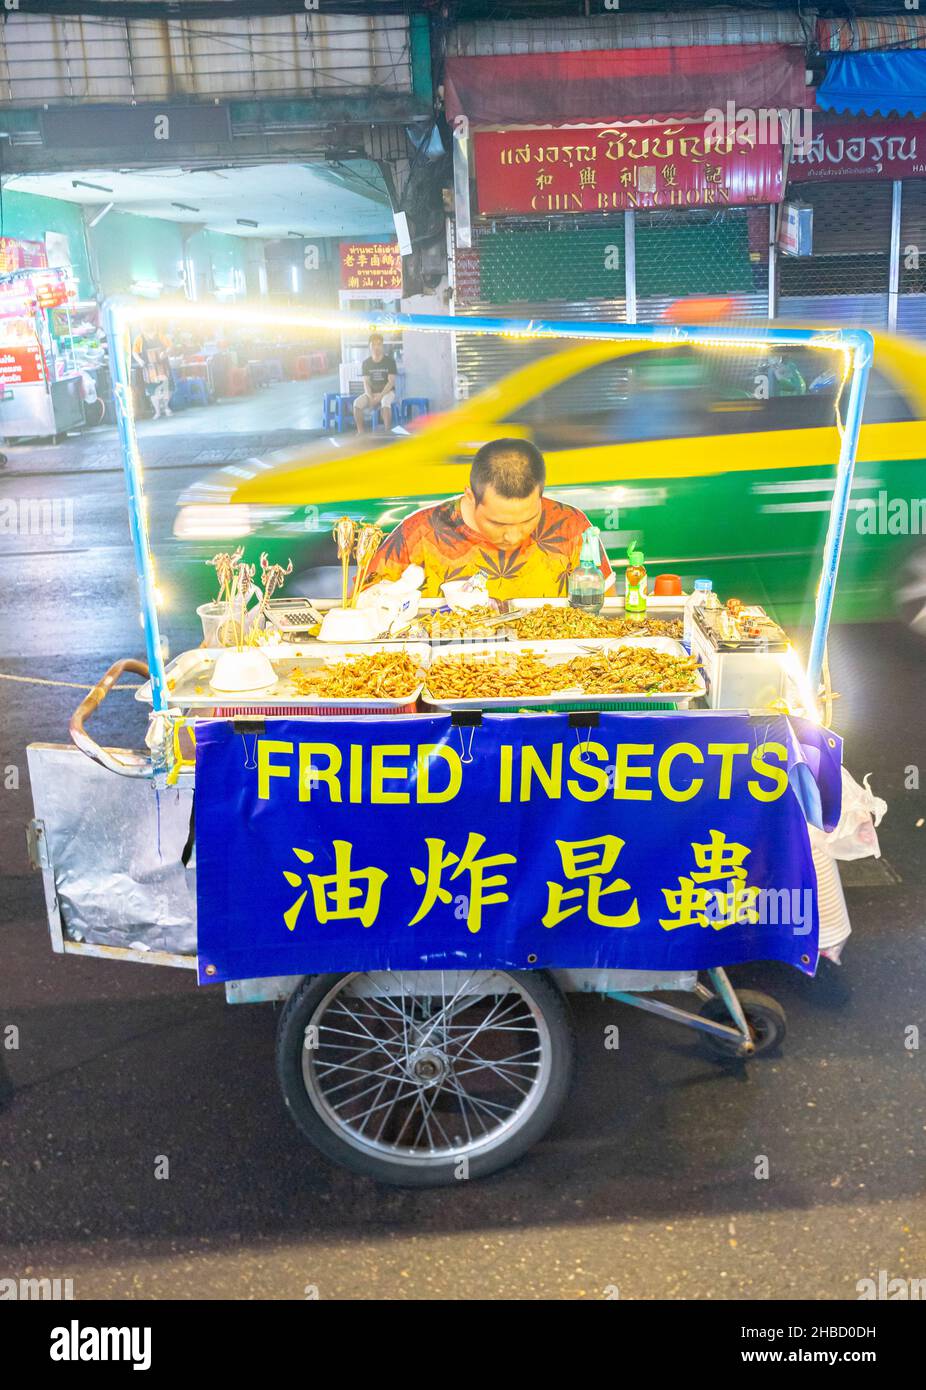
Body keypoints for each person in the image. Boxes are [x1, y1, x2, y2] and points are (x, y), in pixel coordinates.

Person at [364, 437, 614, 600]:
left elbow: (607, 610)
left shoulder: (571, 526)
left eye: (529, 519)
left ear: (541, 496)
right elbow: (366, 605)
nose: (514, 536)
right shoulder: (418, 534)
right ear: (471, 497)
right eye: (498, 523)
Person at [353, 333, 397, 432]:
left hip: (387, 392)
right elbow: (366, 382)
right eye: (373, 345)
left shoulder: (390, 362)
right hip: (372, 393)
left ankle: (387, 432)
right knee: (356, 404)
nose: (376, 347)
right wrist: (370, 396)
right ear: (369, 346)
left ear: (382, 346)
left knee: (385, 402)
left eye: (379, 344)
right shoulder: (366, 363)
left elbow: (391, 383)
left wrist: (380, 396)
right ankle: (361, 433)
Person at [132, 329, 172, 419]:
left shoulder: (161, 335)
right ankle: (157, 411)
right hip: (149, 368)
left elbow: (170, 346)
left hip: (163, 366)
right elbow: (134, 352)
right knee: (152, 391)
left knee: (167, 388)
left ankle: (166, 407)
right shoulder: (140, 338)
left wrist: (165, 353)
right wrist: (139, 360)